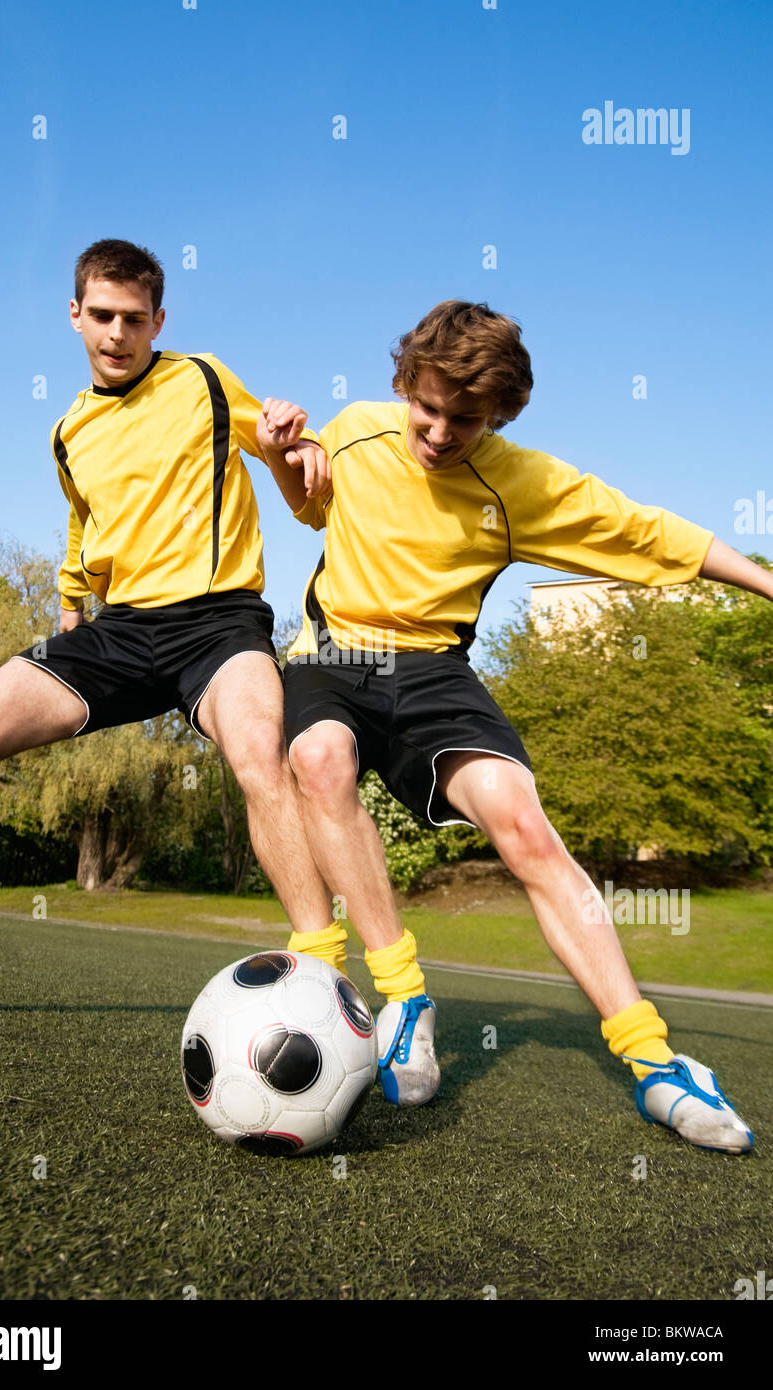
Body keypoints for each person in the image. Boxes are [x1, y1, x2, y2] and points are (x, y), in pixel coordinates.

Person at [263, 298, 763, 1154]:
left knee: (524, 826)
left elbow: (646, 531)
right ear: (402, 386)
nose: (439, 431)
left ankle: (653, 1062)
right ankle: (404, 995)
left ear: (499, 415)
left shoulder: (520, 482)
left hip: (432, 672)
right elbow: (313, 505)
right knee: (318, 756)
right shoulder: (356, 429)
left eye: (465, 418)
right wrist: (283, 456)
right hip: (335, 657)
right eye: (427, 408)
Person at [0, 238, 335, 946]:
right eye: (103, 315)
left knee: (261, 752)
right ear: (75, 314)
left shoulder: (204, 378)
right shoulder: (68, 431)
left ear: (158, 322)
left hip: (220, 625)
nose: (117, 334)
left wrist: (303, 446)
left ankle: (325, 969)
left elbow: (286, 460)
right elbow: (83, 520)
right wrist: (72, 602)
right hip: (121, 630)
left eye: (134, 319)